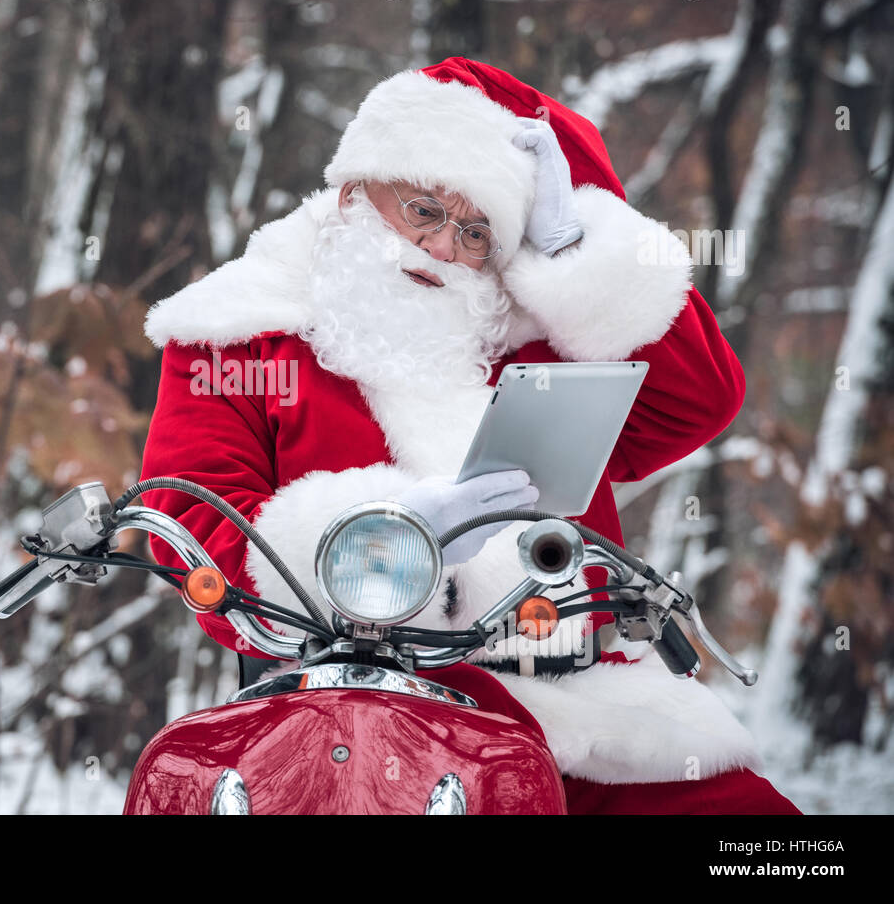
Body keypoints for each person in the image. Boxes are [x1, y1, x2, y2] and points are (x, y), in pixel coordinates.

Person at [137, 56, 800, 814]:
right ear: (354, 191)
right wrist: (378, 546)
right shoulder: (239, 333)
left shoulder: (522, 338)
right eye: (422, 210)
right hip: (350, 714)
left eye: (476, 230)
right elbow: (192, 528)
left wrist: (576, 248)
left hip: (591, 712)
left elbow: (700, 400)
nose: (445, 248)